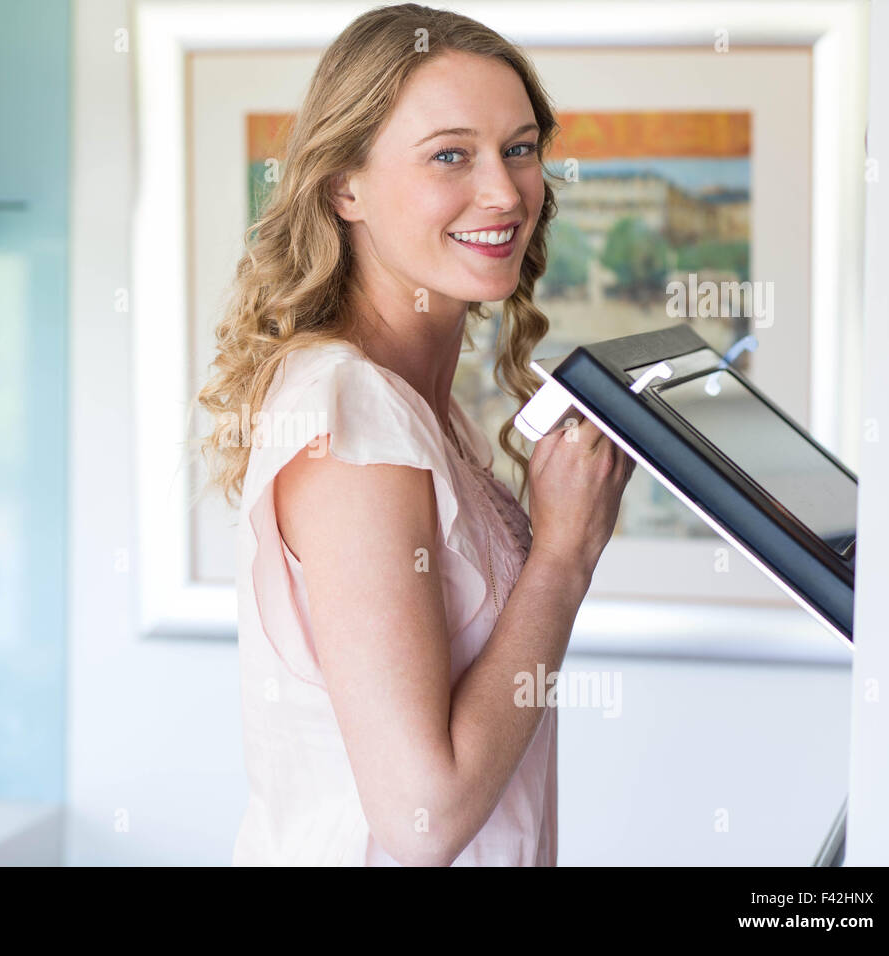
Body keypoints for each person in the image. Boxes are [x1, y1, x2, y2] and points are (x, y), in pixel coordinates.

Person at [193, 2, 633, 866]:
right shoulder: (357, 417)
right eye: (449, 156)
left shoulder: (425, 408)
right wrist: (564, 555)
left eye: (519, 147)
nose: (505, 192)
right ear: (342, 186)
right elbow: (420, 815)